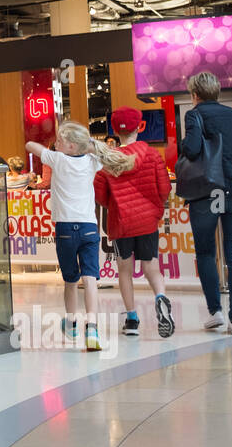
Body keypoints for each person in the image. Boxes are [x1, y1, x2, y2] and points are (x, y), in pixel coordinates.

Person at [26, 123, 133, 352]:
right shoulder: (92, 162)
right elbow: (103, 155)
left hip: (65, 229)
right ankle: (92, 327)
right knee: (91, 279)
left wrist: (53, 150)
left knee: (71, 281)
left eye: (61, 141)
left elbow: (29, 145)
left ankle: (72, 323)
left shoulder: (57, 159)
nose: (56, 144)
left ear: (71, 146)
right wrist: (93, 145)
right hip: (89, 228)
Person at [181, 70, 232, 335]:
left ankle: (215, 312)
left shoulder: (194, 115)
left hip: (208, 193)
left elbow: (191, 150)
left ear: (195, 94)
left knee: (206, 253)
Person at [94, 108, 174, 339]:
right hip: (148, 221)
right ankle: (160, 298)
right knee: (151, 267)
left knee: (125, 271)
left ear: (114, 131)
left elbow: (100, 195)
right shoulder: (152, 155)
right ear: (140, 127)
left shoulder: (108, 161)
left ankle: (131, 319)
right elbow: (165, 188)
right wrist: (154, 208)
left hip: (122, 223)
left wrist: (116, 204)